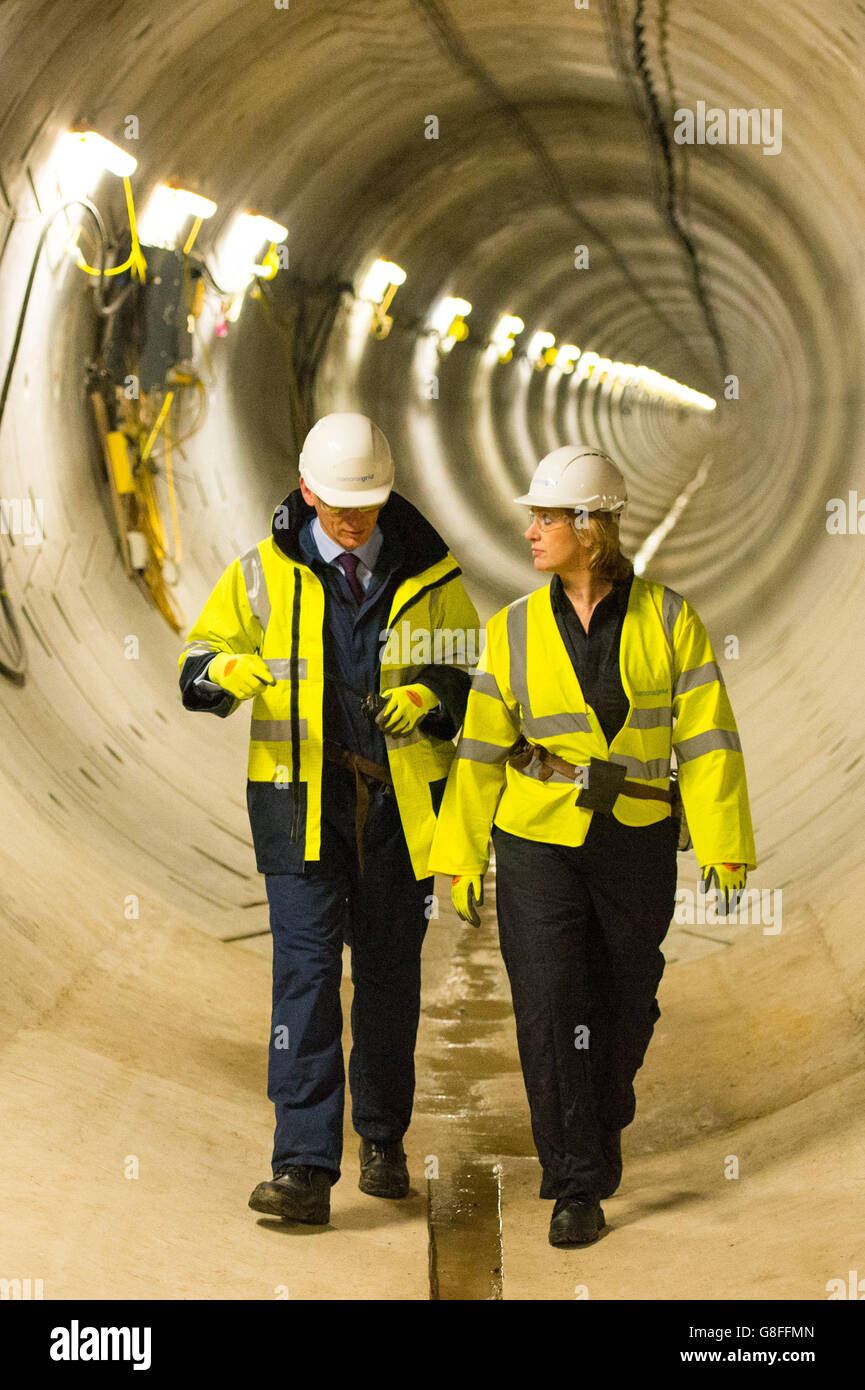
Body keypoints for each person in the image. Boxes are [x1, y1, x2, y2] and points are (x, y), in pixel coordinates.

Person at [428, 444, 756, 1248]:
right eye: (532, 517)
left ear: (590, 528)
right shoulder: (510, 632)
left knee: (624, 993)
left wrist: (723, 844)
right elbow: (478, 752)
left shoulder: (669, 619)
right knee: (548, 1002)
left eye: (545, 518)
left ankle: (604, 1106)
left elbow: (707, 739)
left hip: (636, 834)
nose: (532, 532)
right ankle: (573, 1182)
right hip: (537, 835)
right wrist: (458, 855)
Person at [178, 412, 480, 1226]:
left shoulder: (434, 579)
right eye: (337, 501)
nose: (351, 518)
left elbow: (471, 679)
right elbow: (194, 663)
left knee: (387, 980)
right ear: (306, 490)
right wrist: (224, 670)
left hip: (397, 813)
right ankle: (304, 1166)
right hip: (298, 804)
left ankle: (381, 1137)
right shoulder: (259, 576)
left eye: (367, 502)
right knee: (305, 981)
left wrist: (433, 699)